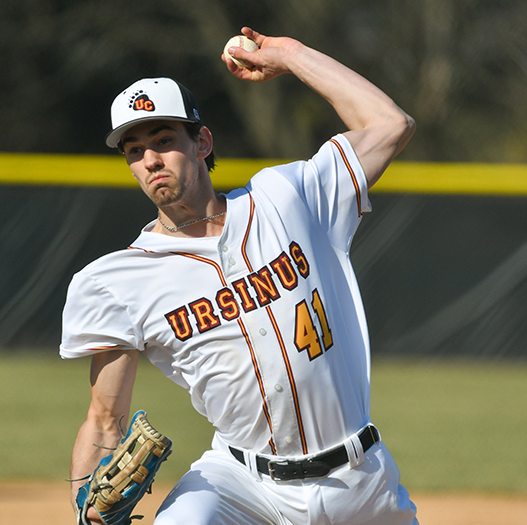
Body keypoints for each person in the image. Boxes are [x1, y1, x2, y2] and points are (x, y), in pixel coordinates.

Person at [61, 27, 417, 525]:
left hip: (359, 481)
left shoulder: (289, 197)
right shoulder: (118, 281)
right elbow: (104, 420)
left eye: (164, 140)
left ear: (203, 141)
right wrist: (85, 510)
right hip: (241, 485)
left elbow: (390, 123)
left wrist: (291, 56)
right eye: (134, 150)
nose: (150, 160)